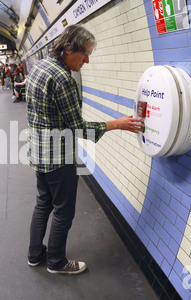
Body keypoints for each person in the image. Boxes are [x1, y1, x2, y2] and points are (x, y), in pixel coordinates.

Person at [26, 24, 144, 274]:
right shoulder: (62, 79)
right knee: (63, 211)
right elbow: (79, 129)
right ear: (69, 49)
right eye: (85, 54)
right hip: (58, 156)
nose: (87, 60)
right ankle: (56, 262)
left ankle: (35, 254)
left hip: (38, 151)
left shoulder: (39, 66)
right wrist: (117, 124)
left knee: (43, 203)